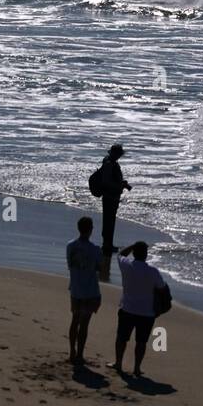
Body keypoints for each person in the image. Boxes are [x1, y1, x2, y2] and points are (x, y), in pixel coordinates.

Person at [114, 241, 166, 377]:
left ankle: (118, 363)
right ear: (146, 255)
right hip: (146, 312)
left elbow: (120, 254)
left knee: (122, 338)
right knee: (141, 342)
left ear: (134, 253)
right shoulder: (153, 271)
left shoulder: (127, 265)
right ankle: (136, 368)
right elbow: (161, 287)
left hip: (127, 308)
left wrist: (132, 245)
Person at [67, 216, 102, 366]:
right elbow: (99, 268)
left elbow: (70, 265)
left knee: (75, 321)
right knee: (84, 324)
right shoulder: (95, 249)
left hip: (75, 288)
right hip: (90, 290)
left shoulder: (70, 246)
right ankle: (80, 353)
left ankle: (72, 351)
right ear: (90, 230)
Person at [99, 142, 132, 278]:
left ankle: (108, 243)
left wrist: (121, 184)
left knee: (109, 220)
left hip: (110, 196)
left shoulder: (109, 162)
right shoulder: (109, 164)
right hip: (110, 196)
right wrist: (120, 185)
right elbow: (107, 182)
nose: (119, 156)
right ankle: (107, 245)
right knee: (109, 220)